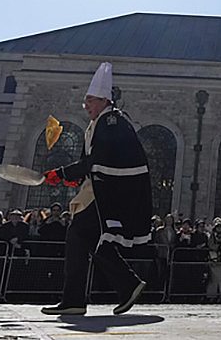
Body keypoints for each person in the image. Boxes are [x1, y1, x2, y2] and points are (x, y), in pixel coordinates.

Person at [41, 62, 153, 317]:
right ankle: (125, 286)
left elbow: (98, 159)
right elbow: (92, 163)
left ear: (103, 100)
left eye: (90, 100)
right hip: (104, 190)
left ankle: (79, 299)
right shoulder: (99, 124)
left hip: (113, 192)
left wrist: (62, 173)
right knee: (86, 240)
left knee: (79, 235)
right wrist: (73, 178)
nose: (86, 106)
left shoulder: (111, 121)